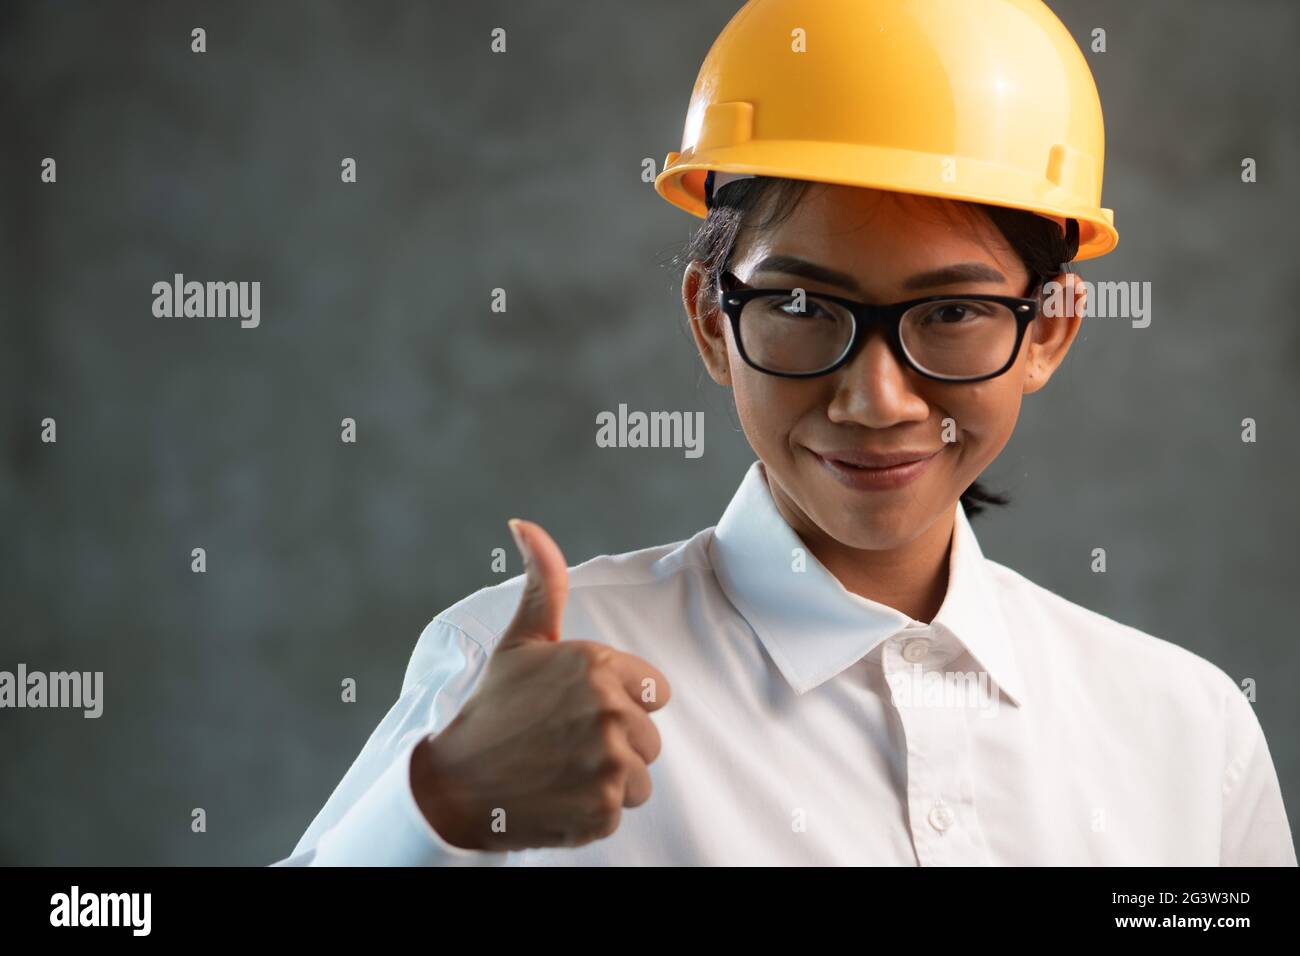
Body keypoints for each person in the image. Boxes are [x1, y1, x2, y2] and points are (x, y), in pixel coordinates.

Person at [276, 0, 1295, 866]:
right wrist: (441, 801)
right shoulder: (511, 688)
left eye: (949, 312)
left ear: (1050, 330)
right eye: (805, 306)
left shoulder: (1185, 733)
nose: (876, 398)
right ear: (713, 320)